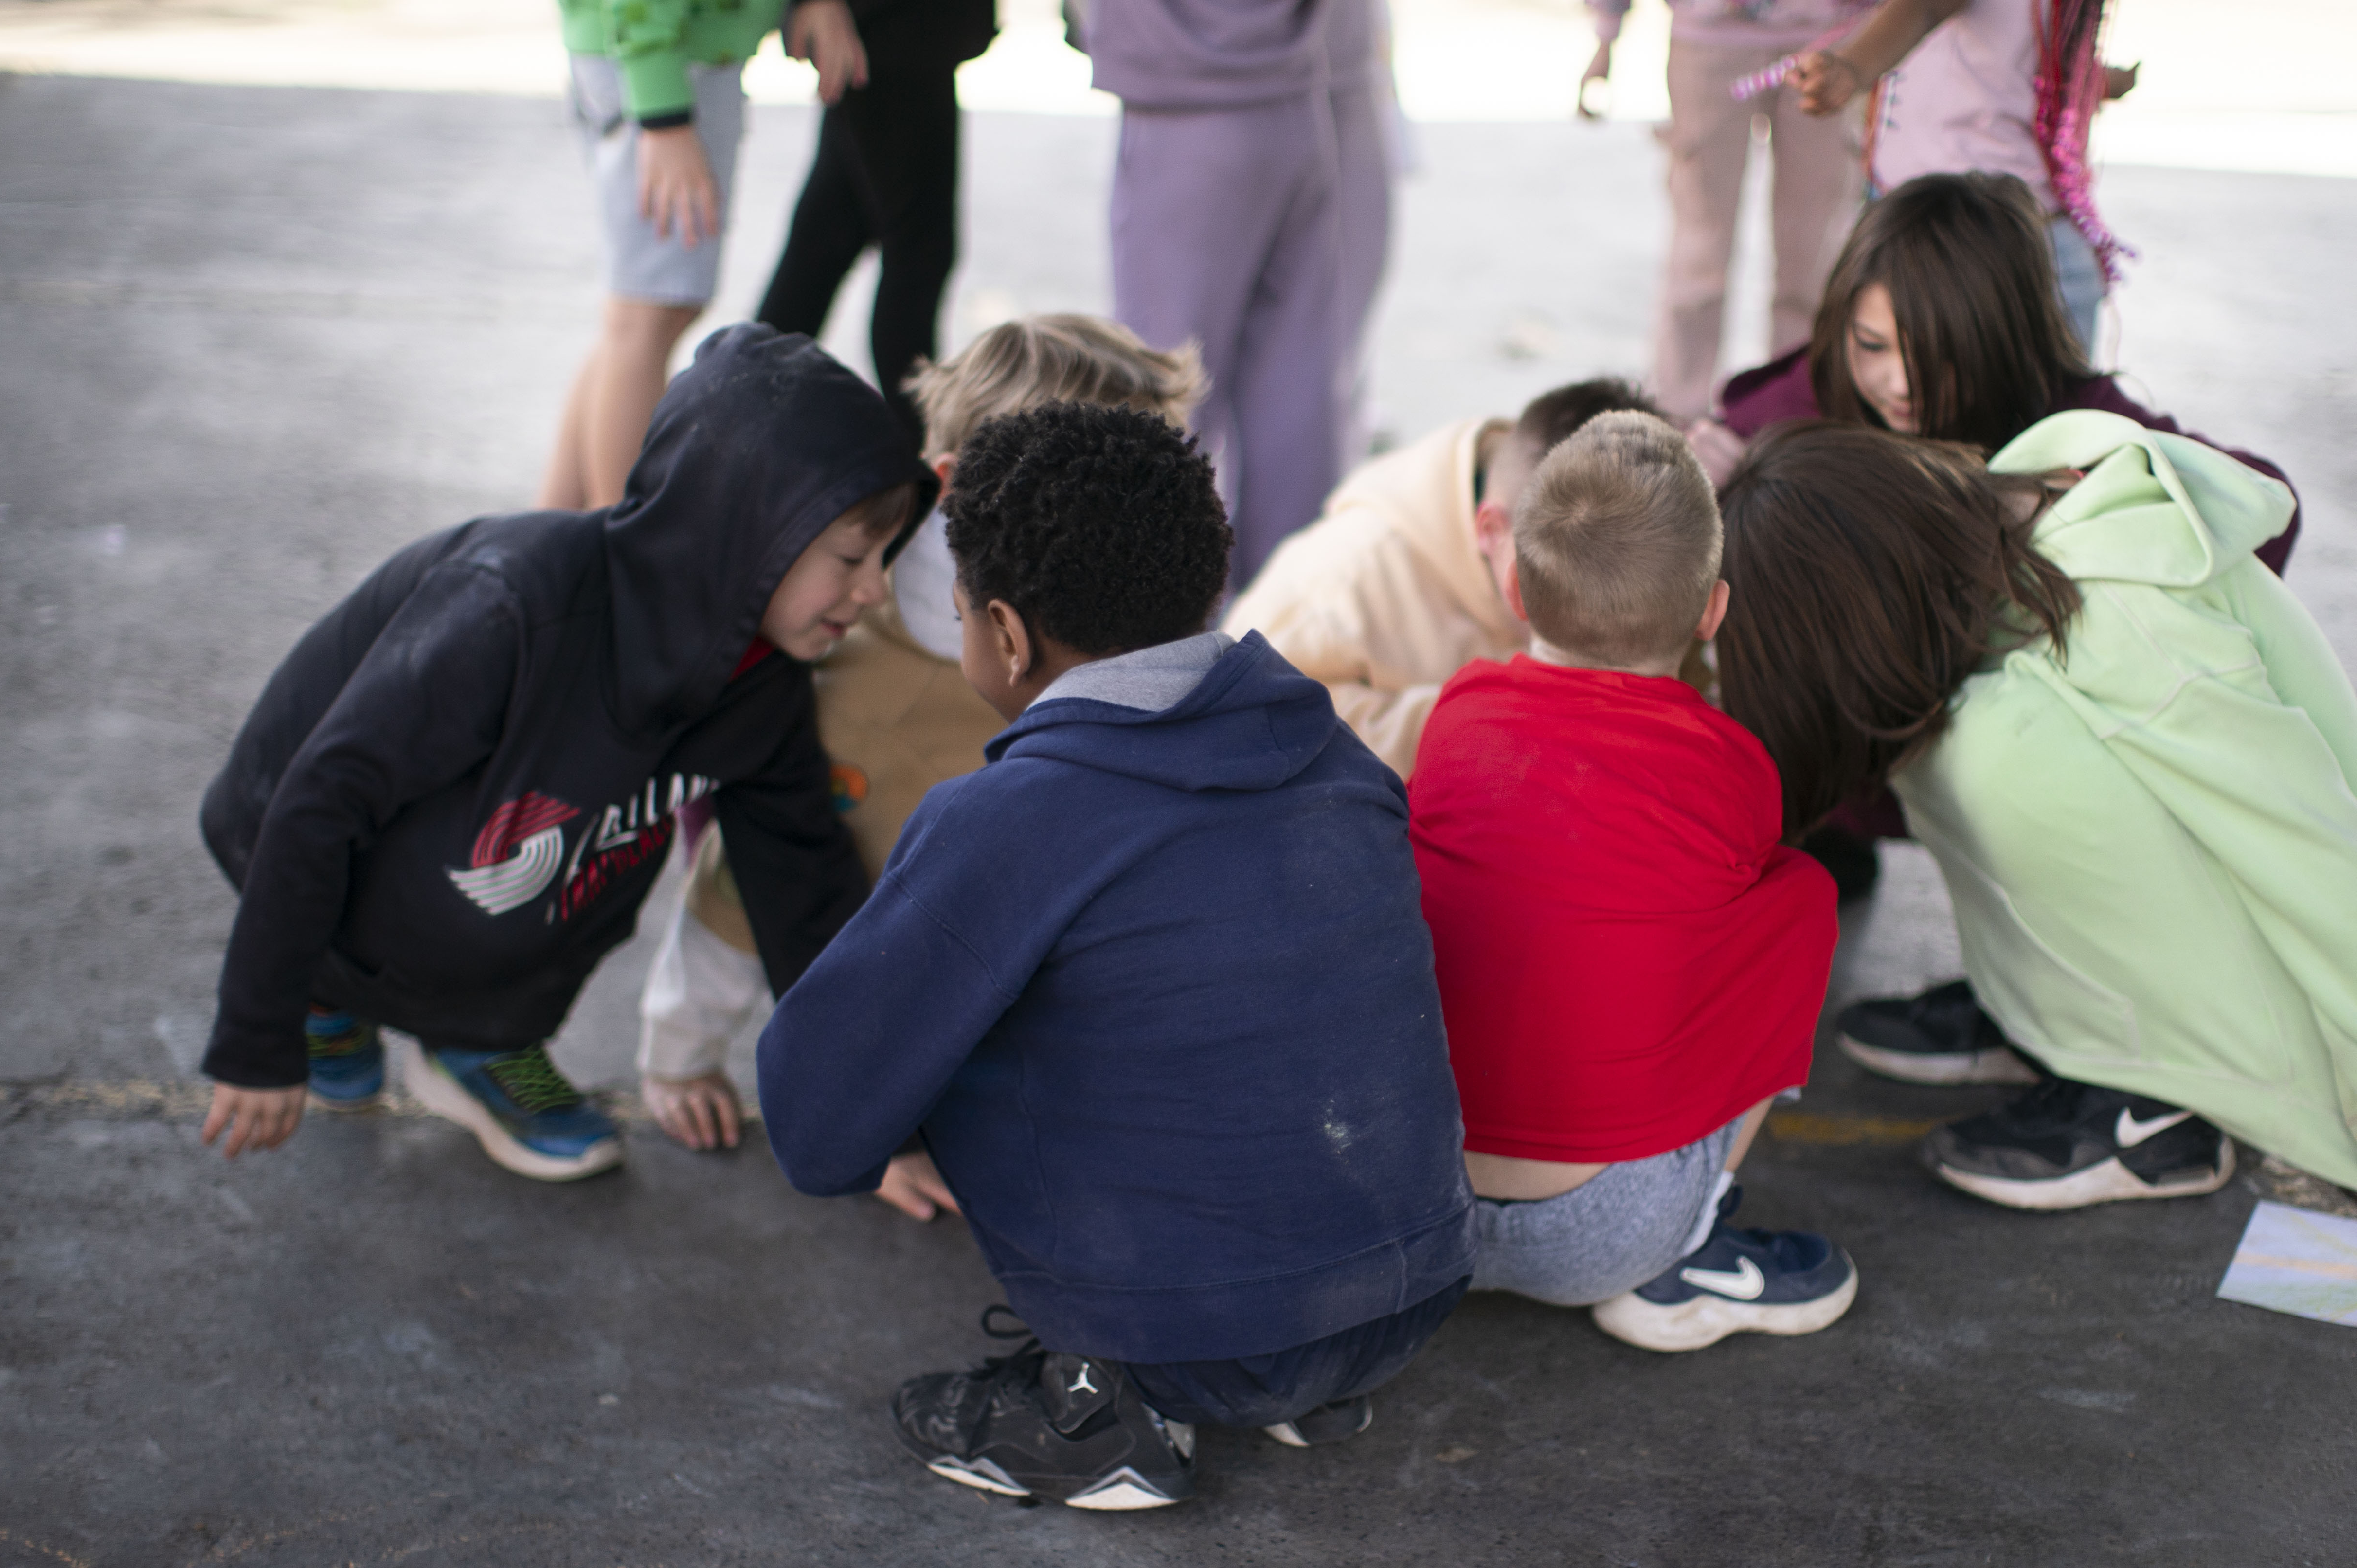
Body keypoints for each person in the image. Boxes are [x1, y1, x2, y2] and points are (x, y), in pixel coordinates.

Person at [756, 402, 1477, 1509]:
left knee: (971, 1009)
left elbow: (813, 1124)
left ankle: (1093, 1405)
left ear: (1005, 632)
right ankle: (1295, 1378)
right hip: (1409, 1296)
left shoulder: (1001, 821)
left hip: (1193, 1336)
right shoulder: (1335, 754)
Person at [196, 327, 936, 1183]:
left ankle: (475, 1042)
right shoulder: (515, 606)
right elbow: (323, 795)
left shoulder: (763, 687)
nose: (874, 587)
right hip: (312, 835)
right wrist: (258, 1028)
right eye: (851, 556)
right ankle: (324, 992)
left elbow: (804, 890)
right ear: (744, 530)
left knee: (600, 848)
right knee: (462, 839)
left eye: (884, 557)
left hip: (491, 871)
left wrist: (883, 1125)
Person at [1716, 417, 2357, 1208]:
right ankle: (2044, 1025)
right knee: (1937, 724)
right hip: (2200, 954)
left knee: (1973, 740)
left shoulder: (2135, 623)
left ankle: (2157, 1103)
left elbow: (2317, 859)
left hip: (2283, 1039)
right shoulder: (1988, 532)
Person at [633, 314, 1207, 1161]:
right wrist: (679, 1058)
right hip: (858, 916)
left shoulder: (1123, 626)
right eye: (1071, 500)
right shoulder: (847, 641)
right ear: (955, 486)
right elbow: (740, 892)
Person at [1693, 170, 2300, 904]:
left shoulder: (2065, 408)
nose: (1900, 383)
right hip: (1837, 740)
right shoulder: (1804, 398)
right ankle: (1817, 822)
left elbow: (2266, 505)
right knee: (1746, 541)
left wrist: (2062, 516)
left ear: (2006, 339)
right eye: (1873, 343)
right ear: (1841, 324)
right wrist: (1710, 479)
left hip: (2004, 743)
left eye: (1938, 351)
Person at [1410, 412, 1854, 1352]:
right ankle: (1689, 1244)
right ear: (1711, 614)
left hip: (1407, 1205)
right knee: (1798, 899)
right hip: (1606, 1230)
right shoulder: (1728, 760)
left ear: (1520, 588)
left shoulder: (1460, 712)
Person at [1224, 378, 1665, 776]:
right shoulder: (1341, 582)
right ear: (1492, 531)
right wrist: (1488, 723)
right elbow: (1243, 724)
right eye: (1562, 594)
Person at [541, 0, 869, 510]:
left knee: (641, 318)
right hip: (664, 59)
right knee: (647, 318)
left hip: (665, 53)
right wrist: (662, 113)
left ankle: (554, 539)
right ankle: (620, 560)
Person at [1086, 0, 1369, 586]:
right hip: (1294, 101)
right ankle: (1290, 610)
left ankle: (1159, 615)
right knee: (1296, 380)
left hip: (1190, 102)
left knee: (1163, 391)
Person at [1787, 0, 2135, 349]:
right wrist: (1852, 69)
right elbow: (1922, 9)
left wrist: (2096, 78)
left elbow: (2026, 56)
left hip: (2032, 226)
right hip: (1945, 226)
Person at [1581, 1, 1867, 423]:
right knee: (1700, 258)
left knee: (1812, 257)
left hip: (1829, 40)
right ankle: (1677, 415)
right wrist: (1606, 36)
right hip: (1711, 40)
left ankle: (1801, 411)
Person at [753, 0, 1000, 451]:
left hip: (895, 36)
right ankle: (929, 468)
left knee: (826, 244)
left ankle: (732, 431)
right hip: (887, 35)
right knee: (917, 261)